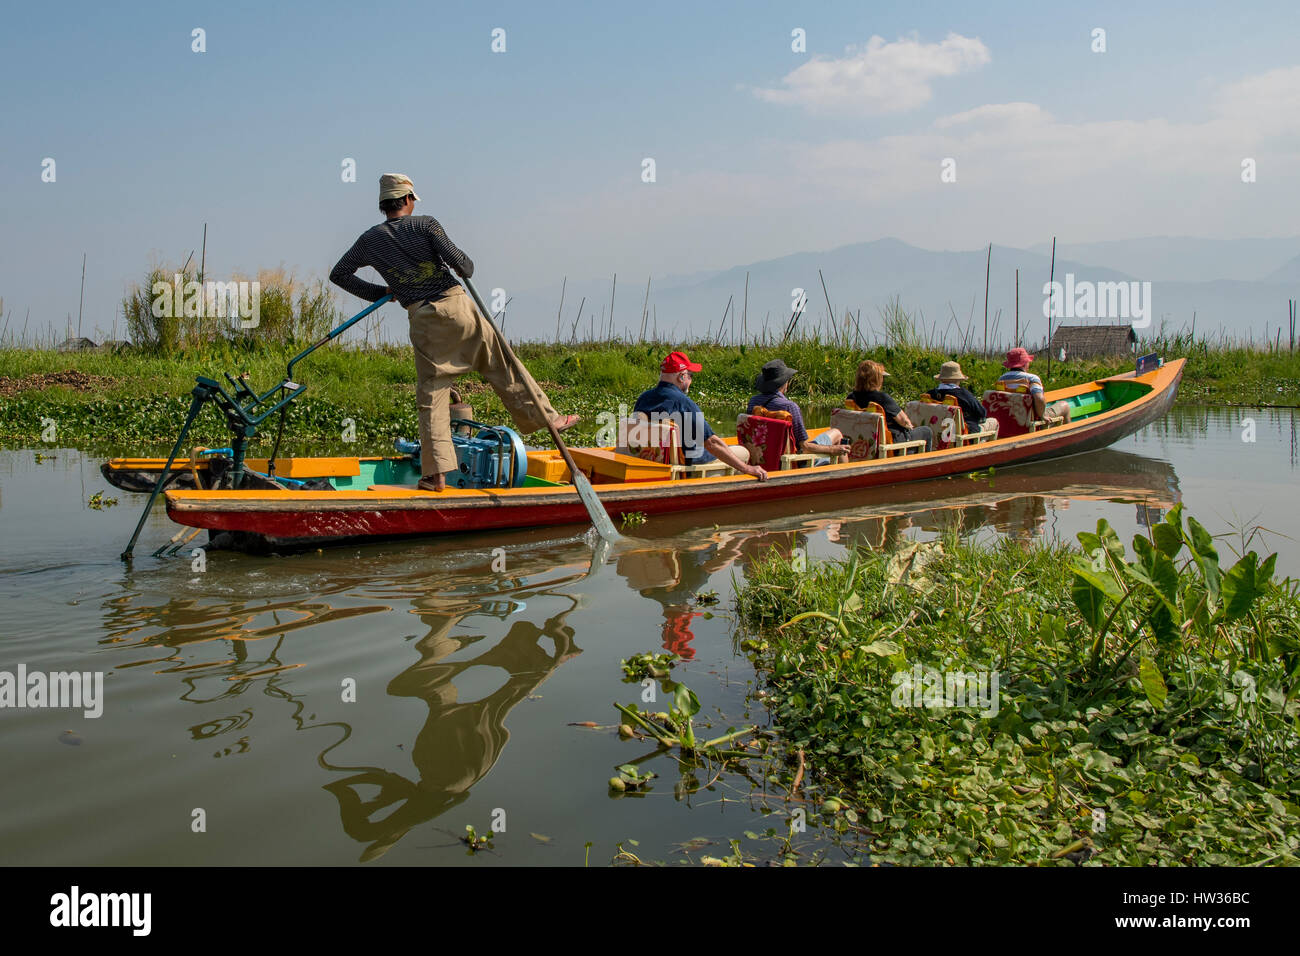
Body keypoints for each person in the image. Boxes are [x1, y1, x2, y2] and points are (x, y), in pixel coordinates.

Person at [330, 173, 578, 492]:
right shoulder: (426, 225)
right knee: (500, 362)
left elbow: (340, 274)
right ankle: (548, 419)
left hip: (421, 316)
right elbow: (465, 266)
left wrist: (384, 291)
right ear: (407, 200)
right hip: (456, 308)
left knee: (432, 393)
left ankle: (436, 476)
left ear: (383, 205)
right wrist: (459, 265)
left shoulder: (369, 240)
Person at [633, 351, 768, 480]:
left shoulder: (644, 398)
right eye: (691, 375)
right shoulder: (683, 403)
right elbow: (711, 443)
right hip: (687, 466)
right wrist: (747, 468)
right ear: (681, 377)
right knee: (743, 452)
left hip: (654, 464)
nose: (691, 380)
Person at [747, 359, 849, 465]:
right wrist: (833, 449)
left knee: (835, 435)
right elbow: (805, 448)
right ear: (784, 382)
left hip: (765, 458)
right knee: (837, 435)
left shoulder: (753, 402)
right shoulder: (789, 407)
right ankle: (847, 478)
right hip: (791, 462)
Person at [845, 359, 933, 451]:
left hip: (866, 441)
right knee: (926, 431)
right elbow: (905, 422)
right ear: (876, 379)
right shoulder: (882, 398)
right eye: (882, 377)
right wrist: (910, 428)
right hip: (889, 441)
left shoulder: (851, 398)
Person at [996, 348, 1072, 423]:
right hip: (1030, 419)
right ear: (1025, 363)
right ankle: (1069, 434)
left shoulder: (1001, 379)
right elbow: (1039, 398)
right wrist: (1042, 416)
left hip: (1009, 418)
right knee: (1065, 406)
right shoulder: (1031, 378)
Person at [927, 360, 988, 435]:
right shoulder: (963, 394)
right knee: (993, 422)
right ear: (958, 379)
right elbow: (982, 412)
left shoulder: (929, 394)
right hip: (962, 433)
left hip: (937, 433)